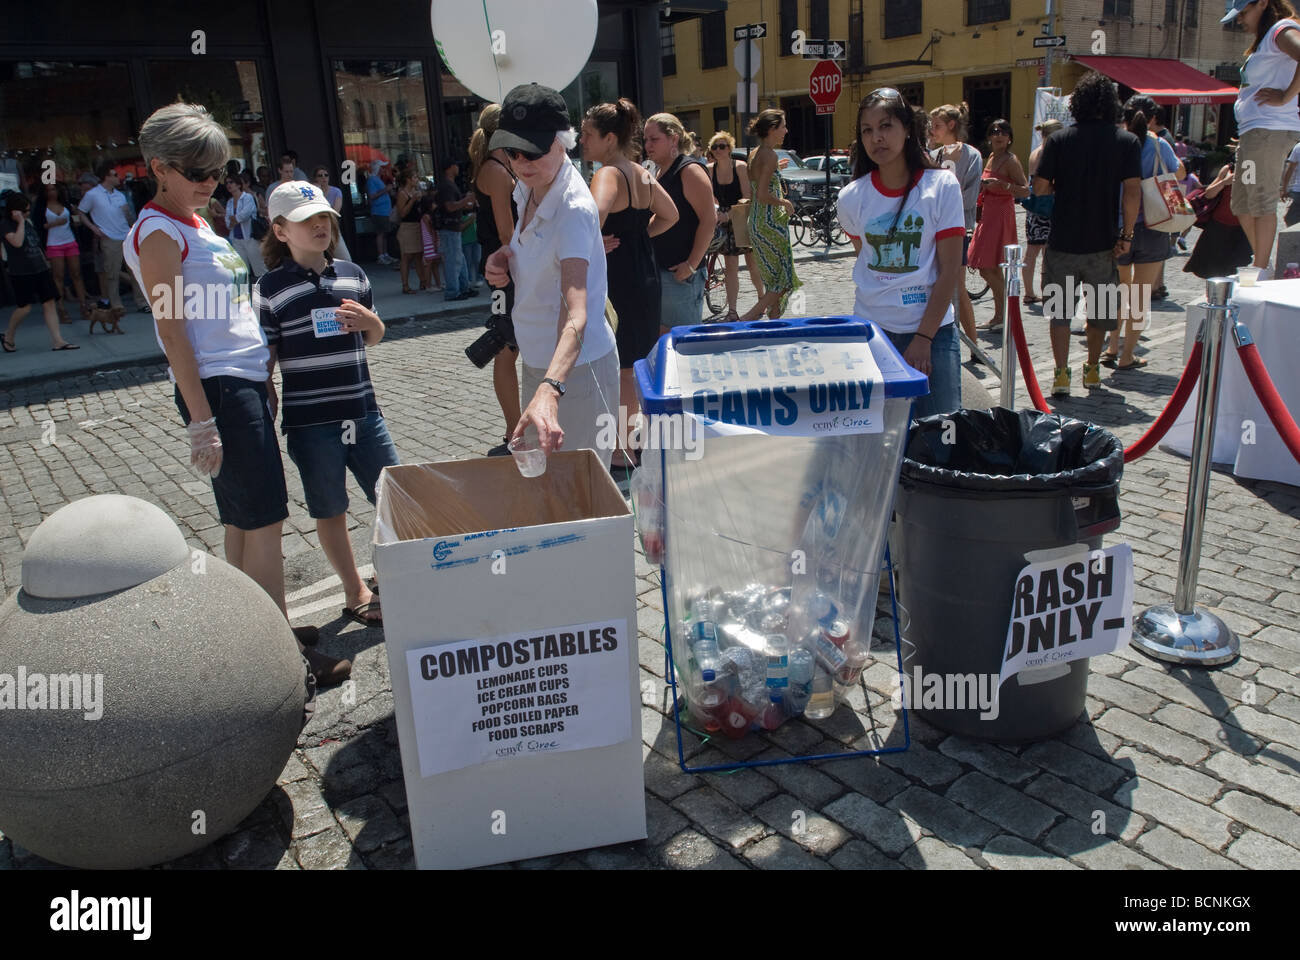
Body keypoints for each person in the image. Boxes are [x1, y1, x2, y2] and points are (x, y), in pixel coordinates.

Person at [121, 101, 348, 685]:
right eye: (195, 171)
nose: (208, 182)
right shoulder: (159, 230)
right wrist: (201, 416)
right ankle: (278, 659)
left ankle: (255, 628)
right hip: (219, 386)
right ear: (158, 167)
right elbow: (170, 326)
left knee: (246, 519)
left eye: (216, 171)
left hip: (239, 380)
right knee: (266, 517)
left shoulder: (194, 222)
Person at [256, 180, 398, 630]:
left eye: (324, 218)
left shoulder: (353, 274)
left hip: (363, 410)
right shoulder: (270, 289)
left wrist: (372, 323)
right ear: (281, 231)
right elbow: (266, 357)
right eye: (305, 221)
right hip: (311, 421)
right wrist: (266, 395)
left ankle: (392, 574)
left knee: (392, 496)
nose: (319, 226)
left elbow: (374, 336)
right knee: (329, 508)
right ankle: (354, 590)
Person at [484, 83, 620, 469]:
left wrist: (550, 388)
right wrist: (506, 259)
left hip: (574, 372)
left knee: (579, 492)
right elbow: (539, 256)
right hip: (542, 362)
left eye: (534, 151)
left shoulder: (573, 208)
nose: (523, 162)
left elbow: (577, 313)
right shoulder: (529, 188)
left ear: (564, 142)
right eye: (513, 152)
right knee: (546, 485)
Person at [836, 87, 964, 419]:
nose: (876, 137)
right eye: (867, 130)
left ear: (908, 129)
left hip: (933, 332)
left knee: (942, 435)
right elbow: (867, 258)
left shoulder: (942, 187)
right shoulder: (851, 198)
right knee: (880, 440)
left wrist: (923, 337)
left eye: (886, 126)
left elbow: (950, 270)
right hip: (873, 333)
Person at [582, 98, 677, 472]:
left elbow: (589, 219)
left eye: (588, 135)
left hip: (619, 276)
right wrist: (640, 236)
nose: (582, 142)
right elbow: (670, 214)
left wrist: (595, 243)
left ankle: (621, 448)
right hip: (644, 273)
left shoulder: (607, 174)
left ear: (609, 138)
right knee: (634, 362)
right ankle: (628, 442)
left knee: (621, 367)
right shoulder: (641, 172)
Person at [1032, 71, 1141, 397]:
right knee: (1100, 314)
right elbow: (1132, 193)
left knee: (1060, 313)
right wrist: (1127, 235)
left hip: (1063, 242)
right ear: (1111, 104)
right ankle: (1092, 369)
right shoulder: (1127, 142)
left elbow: (1039, 188)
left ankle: (1061, 373)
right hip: (1103, 244)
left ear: (1076, 104)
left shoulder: (1060, 140)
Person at [1105, 95, 1184, 371]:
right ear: (1152, 118)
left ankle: (1112, 346)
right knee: (1139, 295)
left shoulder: (1115, 143)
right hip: (1153, 224)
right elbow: (1179, 172)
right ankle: (1127, 355)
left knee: (1117, 289)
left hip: (1117, 225)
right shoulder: (1159, 144)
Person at [1224, 0, 1300, 272]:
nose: (1240, 20)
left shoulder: (1281, 29)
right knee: (1242, 202)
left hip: (1268, 131)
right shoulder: (1268, 37)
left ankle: (1260, 268)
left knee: (1260, 200)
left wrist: (1286, 95)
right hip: (1254, 133)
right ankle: (1262, 263)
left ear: (1263, 4)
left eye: (1244, 13)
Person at [471, 104, 520, 453]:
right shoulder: (496, 170)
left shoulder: (497, 166)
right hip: (505, 272)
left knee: (511, 347)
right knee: (506, 348)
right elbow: (507, 232)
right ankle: (513, 432)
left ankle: (515, 430)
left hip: (505, 271)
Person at [644, 113, 715, 332]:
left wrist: (692, 264)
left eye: (654, 139)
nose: (648, 145)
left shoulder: (689, 170)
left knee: (681, 343)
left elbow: (709, 220)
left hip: (680, 275)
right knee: (663, 341)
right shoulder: (658, 170)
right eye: (645, 139)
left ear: (673, 139)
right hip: (662, 271)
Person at [966, 118, 1029, 330]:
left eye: (1003, 131)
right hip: (988, 213)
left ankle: (1004, 316)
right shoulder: (992, 157)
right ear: (989, 136)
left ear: (1010, 137)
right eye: (994, 131)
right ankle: (1001, 315)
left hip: (1001, 214)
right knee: (986, 267)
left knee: (990, 266)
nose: (998, 134)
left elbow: (1025, 189)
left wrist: (1001, 184)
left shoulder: (1011, 160)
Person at [928, 102, 982, 344]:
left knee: (957, 288)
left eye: (937, 125)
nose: (932, 130)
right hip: (933, 229)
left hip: (958, 228)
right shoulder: (933, 155)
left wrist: (947, 192)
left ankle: (973, 343)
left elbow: (970, 198)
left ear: (951, 125)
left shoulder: (971, 155)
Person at [743, 109, 802, 321]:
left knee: (773, 279)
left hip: (757, 222)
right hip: (770, 222)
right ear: (771, 129)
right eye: (783, 126)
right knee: (783, 280)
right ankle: (748, 317)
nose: (786, 131)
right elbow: (762, 194)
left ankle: (774, 323)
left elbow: (756, 184)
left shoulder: (755, 153)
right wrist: (784, 201)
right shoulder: (769, 155)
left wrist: (776, 168)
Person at [2, 190, 79, 352]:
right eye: (26, 211)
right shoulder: (6, 224)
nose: (28, 213)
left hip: (39, 267)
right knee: (25, 307)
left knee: (49, 302)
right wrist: (21, 222)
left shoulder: (28, 222)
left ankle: (58, 340)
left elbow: (35, 244)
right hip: (21, 271)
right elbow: (16, 242)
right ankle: (9, 335)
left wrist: (46, 262)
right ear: (16, 211)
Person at [706, 131, 763, 322]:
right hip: (720, 217)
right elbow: (708, 194)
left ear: (730, 148)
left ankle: (762, 297)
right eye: (715, 147)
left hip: (741, 214)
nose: (718, 150)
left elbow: (747, 196)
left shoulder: (740, 167)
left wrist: (729, 214)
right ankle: (732, 311)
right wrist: (717, 212)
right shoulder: (709, 169)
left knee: (752, 262)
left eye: (722, 146)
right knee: (730, 266)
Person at [79, 162, 149, 313]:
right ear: (106, 176)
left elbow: (127, 216)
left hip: (126, 236)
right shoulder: (93, 194)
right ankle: (116, 305)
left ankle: (141, 302)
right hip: (109, 238)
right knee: (112, 273)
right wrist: (94, 228)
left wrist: (135, 229)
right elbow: (81, 212)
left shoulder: (120, 195)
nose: (119, 177)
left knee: (135, 271)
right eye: (115, 174)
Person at [1185, 159, 1254, 278]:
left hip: (1243, 230)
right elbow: (1209, 194)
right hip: (1218, 227)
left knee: (1237, 270)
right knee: (1211, 271)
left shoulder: (1257, 170)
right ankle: (1215, 294)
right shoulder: (1228, 169)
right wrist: (1224, 182)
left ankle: (1230, 295)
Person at [1020, 119, 1062, 307]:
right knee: (1046, 252)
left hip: (1034, 207)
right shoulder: (1050, 153)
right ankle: (1046, 291)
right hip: (1048, 206)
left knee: (1031, 251)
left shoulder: (1035, 152)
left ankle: (1029, 292)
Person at [37, 182, 89, 323]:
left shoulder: (66, 204)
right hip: (53, 243)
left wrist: (75, 219)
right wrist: (54, 223)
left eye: (54, 189)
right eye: (48, 190)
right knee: (58, 277)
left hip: (69, 240)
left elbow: (74, 220)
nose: (51, 192)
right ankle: (61, 309)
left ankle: (83, 305)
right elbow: (39, 226)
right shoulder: (42, 207)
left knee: (76, 274)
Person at [436, 156, 477, 301]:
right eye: (456, 165)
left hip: (453, 228)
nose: (458, 168)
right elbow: (449, 206)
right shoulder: (446, 185)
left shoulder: (450, 184)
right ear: (450, 167)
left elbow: (454, 205)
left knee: (460, 259)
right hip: (449, 228)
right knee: (453, 260)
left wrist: (466, 203)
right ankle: (452, 292)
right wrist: (466, 200)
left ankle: (463, 288)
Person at [225, 173, 267, 278]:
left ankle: (265, 292)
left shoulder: (247, 197)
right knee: (242, 271)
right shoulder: (229, 202)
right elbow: (227, 221)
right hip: (237, 240)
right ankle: (247, 293)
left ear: (238, 185)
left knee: (259, 268)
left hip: (250, 238)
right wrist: (235, 219)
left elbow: (244, 215)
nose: (229, 185)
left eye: (231, 182)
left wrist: (235, 218)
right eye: (227, 183)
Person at [394, 169, 425, 294]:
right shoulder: (402, 193)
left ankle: (423, 281)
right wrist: (412, 200)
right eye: (414, 177)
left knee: (418, 255)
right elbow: (402, 213)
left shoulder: (417, 191)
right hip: (407, 227)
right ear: (408, 179)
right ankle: (405, 285)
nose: (417, 179)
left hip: (417, 226)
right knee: (406, 257)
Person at [312, 165, 352, 261]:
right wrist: (318, 192)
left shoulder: (336, 191)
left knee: (345, 259)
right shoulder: (313, 193)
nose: (323, 178)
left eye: (326, 175)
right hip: (315, 229)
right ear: (315, 178)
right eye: (320, 175)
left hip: (332, 228)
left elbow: (335, 211)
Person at [365, 160, 394, 264]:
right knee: (381, 233)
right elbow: (372, 196)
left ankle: (385, 254)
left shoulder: (378, 179)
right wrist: (386, 190)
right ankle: (381, 256)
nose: (383, 169)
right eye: (381, 167)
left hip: (385, 211)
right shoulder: (371, 180)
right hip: (379, 211)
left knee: (385, 233)